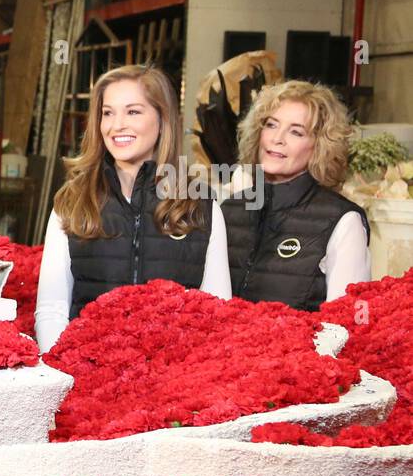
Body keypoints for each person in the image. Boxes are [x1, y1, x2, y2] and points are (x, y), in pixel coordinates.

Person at [34, 64, 231, 352]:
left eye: (133, 111)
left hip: (174, 380)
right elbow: (52, 308)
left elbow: (218, 313)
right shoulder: (72, 203)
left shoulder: (201, 205)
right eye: (108, 113)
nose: (117, 125)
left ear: (163, 119)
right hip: (88, 376)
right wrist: (64, 372)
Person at [221, 80, 370, 309]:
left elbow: (344, 324)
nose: (277, 138)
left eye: (296, 132)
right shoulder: (228, 210)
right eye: (271, 125)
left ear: (320, 146)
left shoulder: (342, 221)